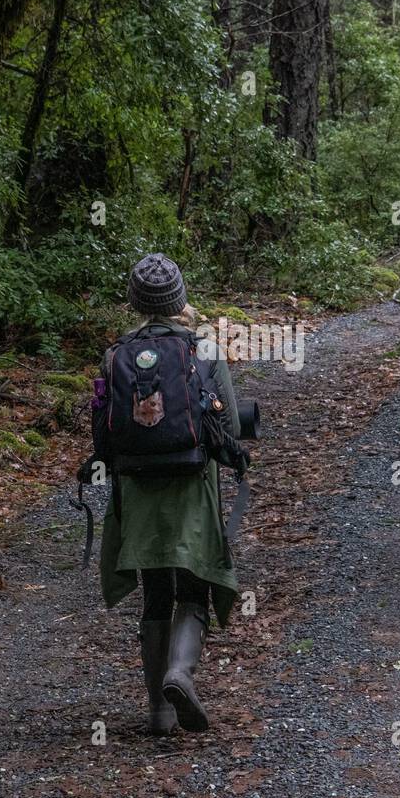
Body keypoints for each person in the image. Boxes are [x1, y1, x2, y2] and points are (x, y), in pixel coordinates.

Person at [99, 254, 242, 735]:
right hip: (190, 487)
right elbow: (232, 425)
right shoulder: (203, 349)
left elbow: (105, 429)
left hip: (138, 491)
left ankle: (158, 713)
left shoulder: (116, 354)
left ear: (135, 302)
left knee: (155, 594)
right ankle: (180, 673)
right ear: (179, 298)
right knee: (193, 590)